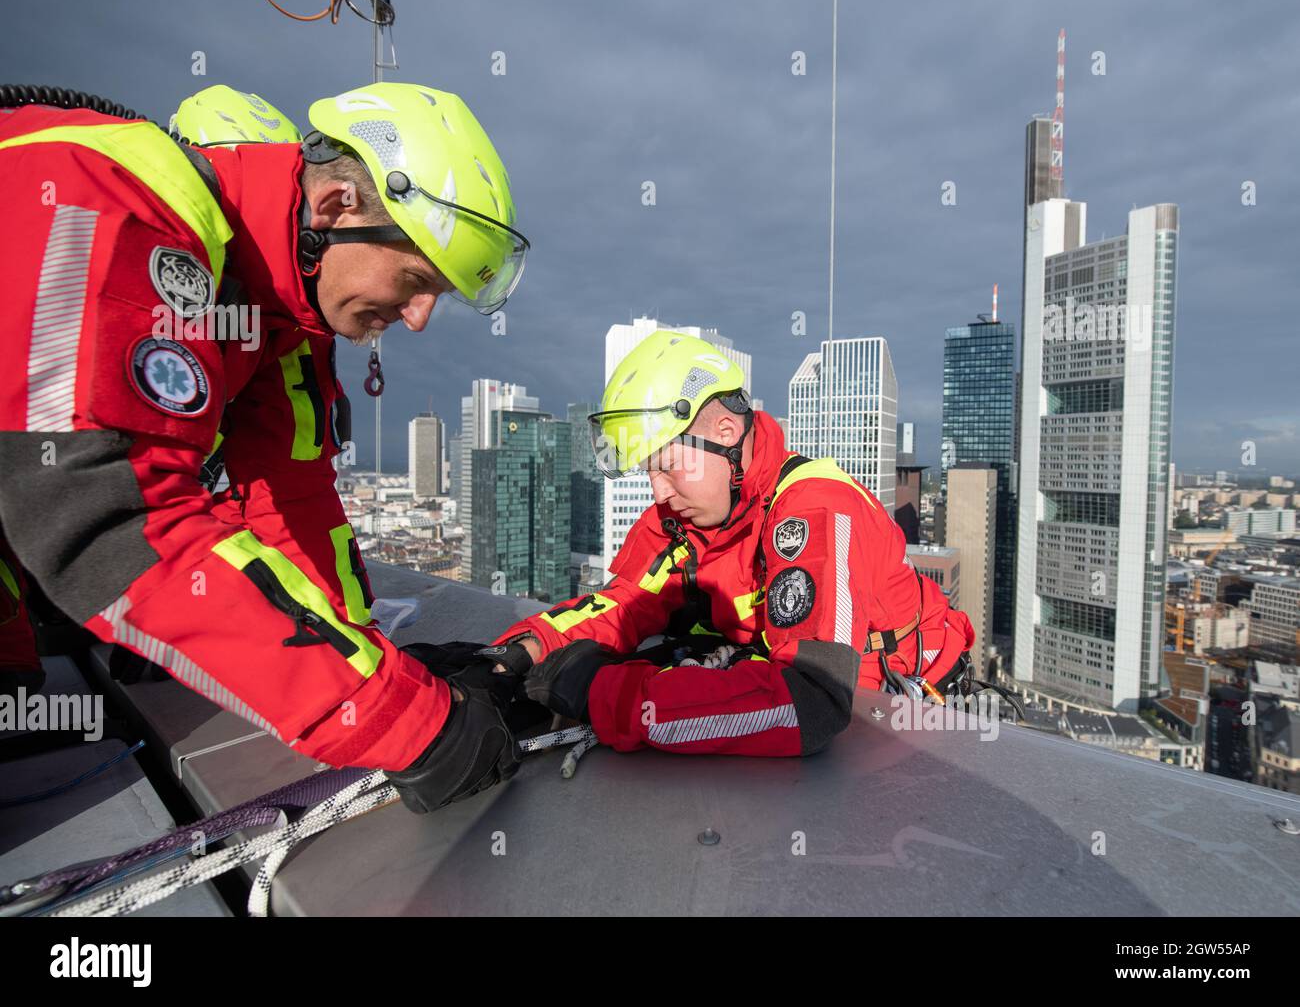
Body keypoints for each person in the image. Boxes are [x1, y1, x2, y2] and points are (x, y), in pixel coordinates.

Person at [0, 81, 531, 812]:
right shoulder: (109, 191)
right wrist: (410, 726)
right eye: (415, 281)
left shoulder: (279, 308)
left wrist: (375, 665)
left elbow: (289, 495)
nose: (417, 319)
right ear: (336, 206)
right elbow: (110, 516)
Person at [488, 329, 977, 755]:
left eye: (666, 464)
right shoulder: (690, 513)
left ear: (725, 432)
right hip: (794, 687)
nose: (657, 490)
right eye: (648, 472)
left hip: (906, 711)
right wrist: (523, 651)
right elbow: (627, 605)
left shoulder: (815, 510)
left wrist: (605, 696)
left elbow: (812, 703)